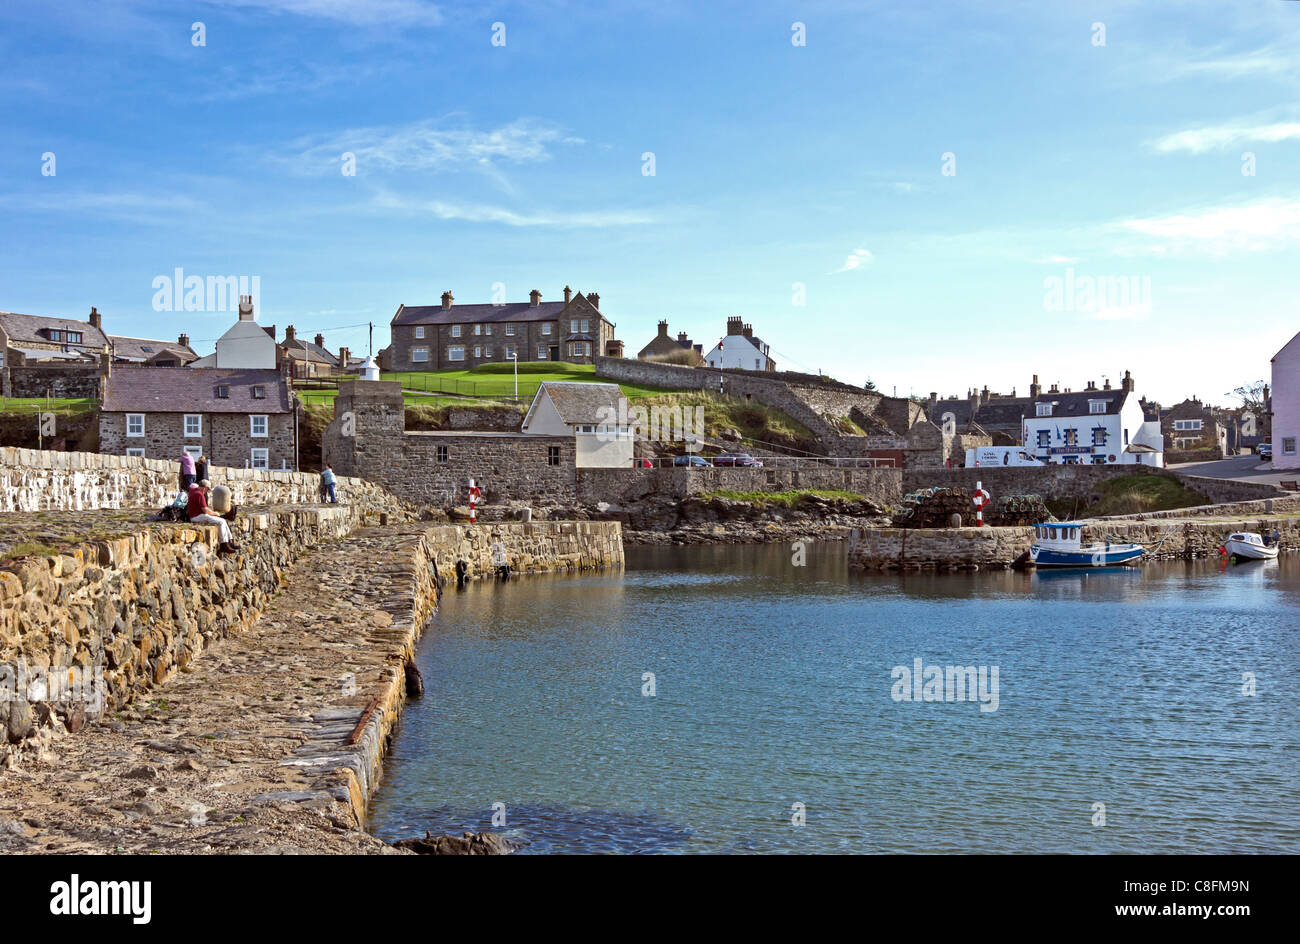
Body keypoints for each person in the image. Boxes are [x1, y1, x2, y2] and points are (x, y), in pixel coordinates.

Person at [187, 479, 239, 555]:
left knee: (222, 521)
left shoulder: (193, 491)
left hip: (196, 515)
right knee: (221, 522)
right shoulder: (199, 494)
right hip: (197, 516)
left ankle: (230, 541)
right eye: (207, 489)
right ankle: (224, 544)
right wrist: (215, 513)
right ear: (204, 487)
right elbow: (205, 510)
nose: (207, 491)